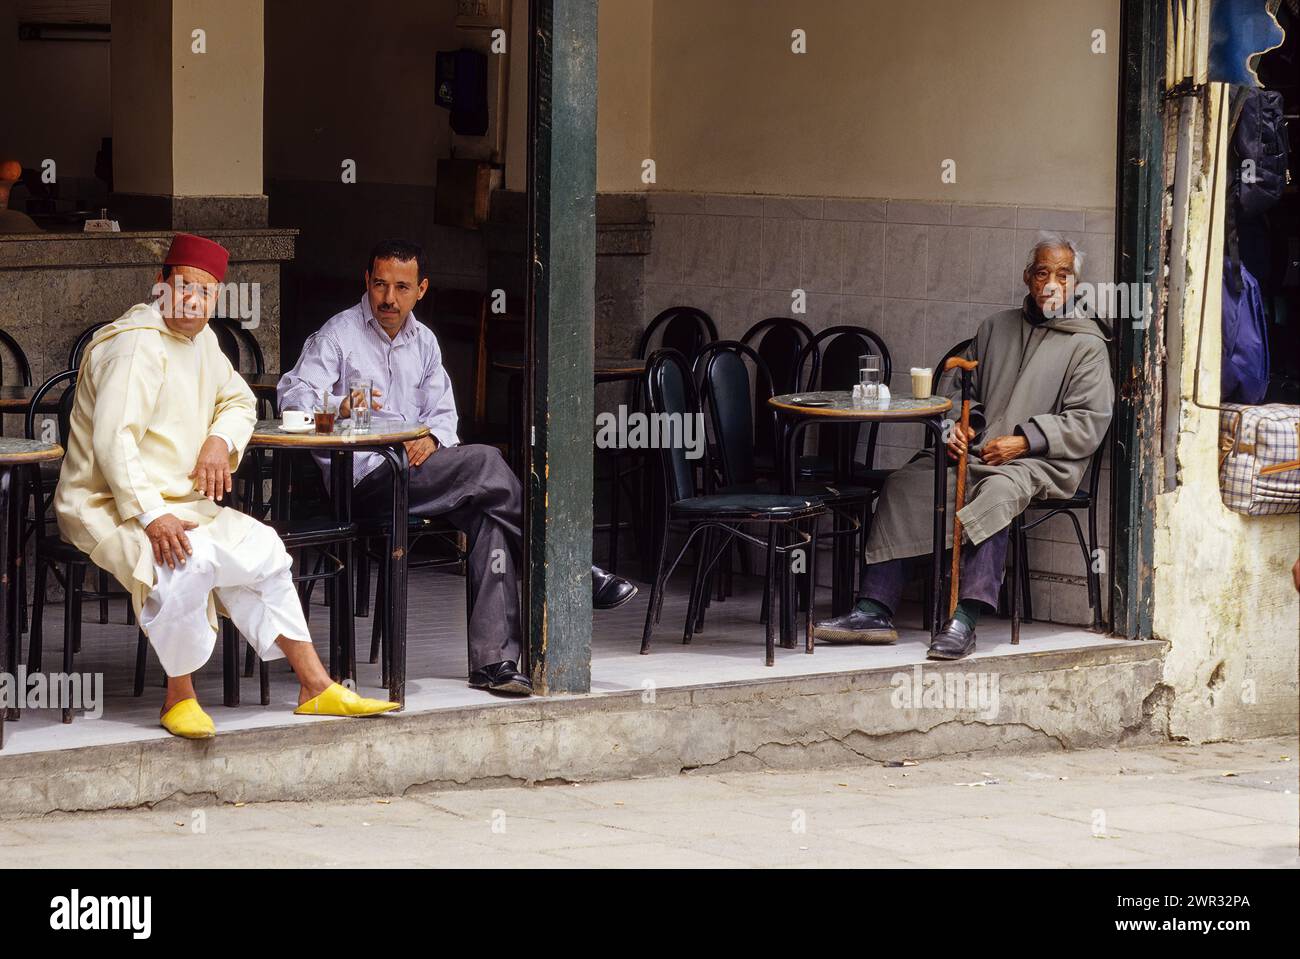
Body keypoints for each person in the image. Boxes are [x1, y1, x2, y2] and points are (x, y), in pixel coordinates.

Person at [55, 233, 399, 738]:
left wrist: (219, 441)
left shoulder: (202, 341)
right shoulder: (133, 346)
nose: (194, 301)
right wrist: (152, 516)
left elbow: (238, 402)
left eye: (207, 292)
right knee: (184, 558)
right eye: (184, 287)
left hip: (179, 497)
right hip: (109, 503)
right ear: (161, 286)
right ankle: (179, 697)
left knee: (265, 548)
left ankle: (315, 685)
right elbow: (113, 444)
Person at [279, 239, 636, 698]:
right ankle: (569, 567)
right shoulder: (338, 336)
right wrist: (339, 405)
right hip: (366, 479)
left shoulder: (424, 342)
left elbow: (444, 415)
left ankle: (495, 664)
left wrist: (432, 439)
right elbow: (293, 402)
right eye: (381, 285)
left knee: (491, 517)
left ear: (421, 289)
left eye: (402, 287)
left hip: (420, 474)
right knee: (488, 461)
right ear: (366, 282)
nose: (389, 298)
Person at [814, 234, 1115, 660]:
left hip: (1035, 462)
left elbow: (1089, 420)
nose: (1051, 283)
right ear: (1027, 277)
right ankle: (874, 610)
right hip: (976, 454)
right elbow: (962, 391)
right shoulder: (995, 328)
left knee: (997, 494)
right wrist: (961, 426)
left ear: (1074, 284)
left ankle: (964, 620)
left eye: (1062, 275)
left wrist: (1025, 440)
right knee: (905, 484)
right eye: (1043, 272)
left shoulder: (1087, 345)